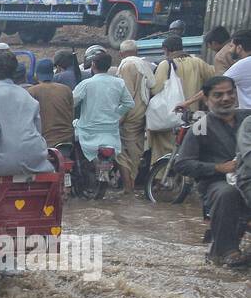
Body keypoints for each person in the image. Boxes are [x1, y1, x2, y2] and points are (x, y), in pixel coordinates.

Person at [172, 76, 251, 267]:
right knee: (227, 192)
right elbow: (182, 164)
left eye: (230, 93)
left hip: (247, 179)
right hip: (216, 184)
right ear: (207, 100)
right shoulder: (200, 127)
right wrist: (218, 167)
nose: (226, 98)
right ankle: (225, 251)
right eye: (218, 95)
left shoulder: (247, 119)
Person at [148, 35, 217, 159]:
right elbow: (214, 80)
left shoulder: (166, 64)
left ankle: (162, 175)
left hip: (173, 116)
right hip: (195, 116)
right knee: (192, 150)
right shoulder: (198, 62)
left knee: (167, 151)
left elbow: (156, 89)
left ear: (166, 49)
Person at [73, 51, 135, 169]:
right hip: (111, 132)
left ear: (93, 65)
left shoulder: (86, 84)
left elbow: (71, 102)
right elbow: (129, 103)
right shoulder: (119, 83)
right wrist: (116, 114)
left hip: (87, 132)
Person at [115, 40, 153, 191]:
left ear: (121, 53)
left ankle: (128, 186)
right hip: (142, 111)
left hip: (130, 114)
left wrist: (119, 118)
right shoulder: (144, 64)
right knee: (135, 148)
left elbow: (127, 95)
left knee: (123, 151)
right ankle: (132, 182)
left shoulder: (127, 65)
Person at [29, 58, 76, 149]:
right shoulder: (66, 89)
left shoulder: (32, 91)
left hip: (45, 143)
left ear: (36, 75)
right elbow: (72, 116)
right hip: (68, 141)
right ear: (53, 73)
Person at [225, 29, 251, 107]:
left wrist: (187, 103)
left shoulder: (243, 64)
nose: (229, 50)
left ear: (239, 48)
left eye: (231, 46)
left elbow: (218, 83)